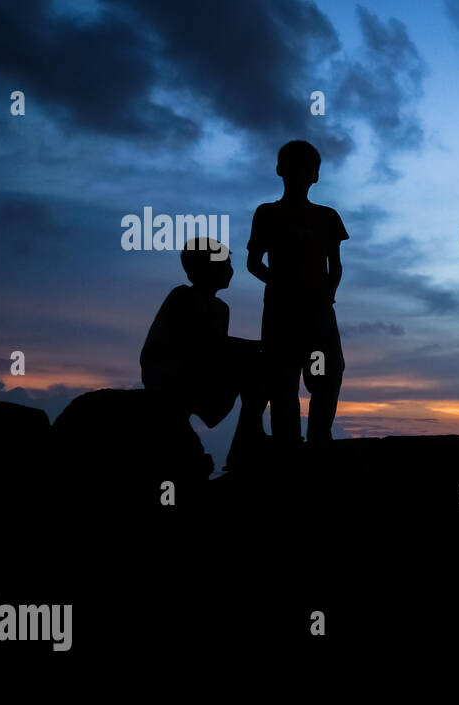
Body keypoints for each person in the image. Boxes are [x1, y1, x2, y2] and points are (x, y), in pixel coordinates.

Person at [246, 140, 348, 444]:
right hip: (281, 311)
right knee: (283, 380)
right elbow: (253, 262)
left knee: (328, 374)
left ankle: (319, 438)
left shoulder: (328, 217)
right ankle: (287, 446)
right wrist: (280, 285)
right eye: (293, 165)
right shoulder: (267, 214)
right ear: (280, 170)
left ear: (315, 175)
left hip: (319, 310)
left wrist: (327, 296)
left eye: (307, 167)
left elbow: (336, 265)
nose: (300, 172)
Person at [140, 237, 266, 470]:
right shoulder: (183, 297)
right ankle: (247, 442)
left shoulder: (220, 308)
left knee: (259, 366)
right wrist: (256, 346)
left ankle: (249, 438)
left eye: (229, 263)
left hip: (198, 372)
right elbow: (204, 344)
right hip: (172, 377)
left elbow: (215, 349)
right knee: (257, 363)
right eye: (224, 263)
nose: (230, 269)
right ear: (206, 268)